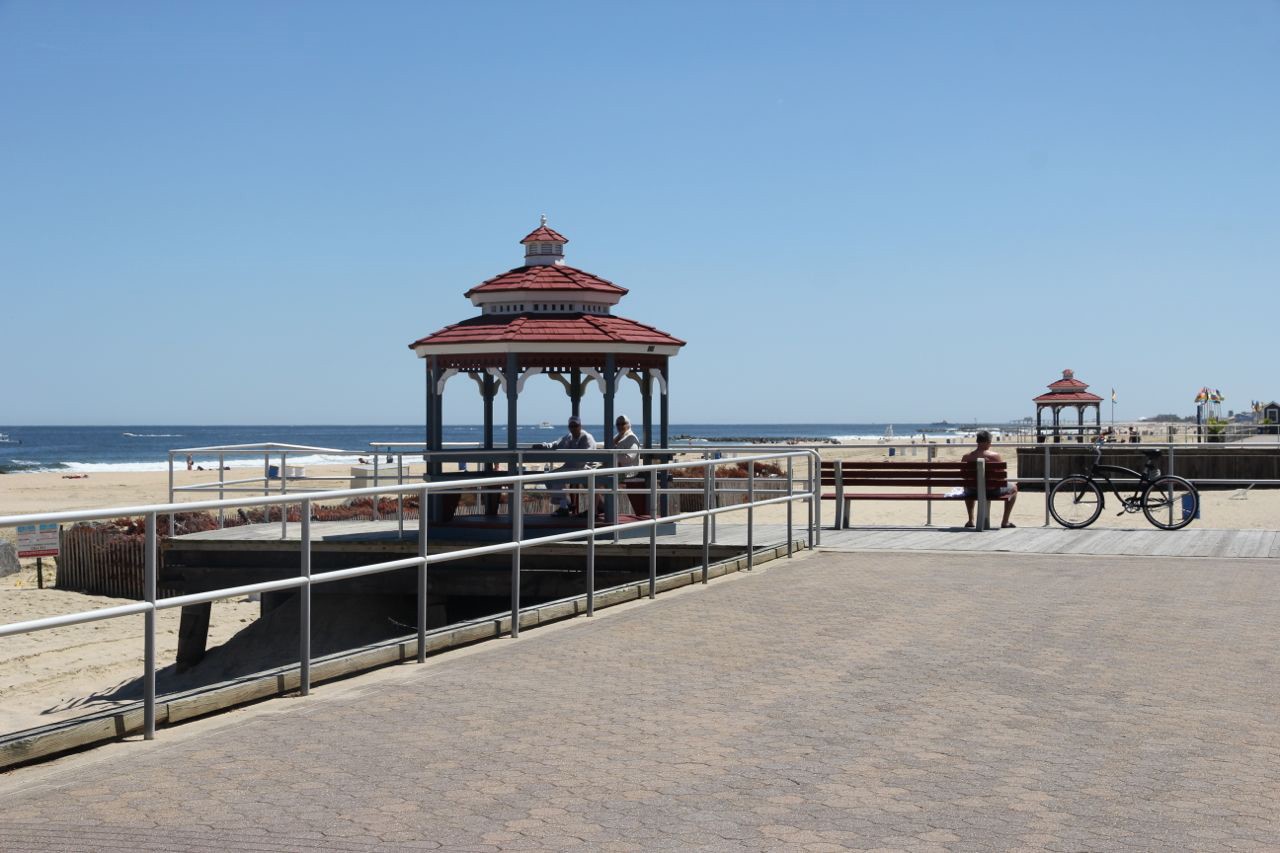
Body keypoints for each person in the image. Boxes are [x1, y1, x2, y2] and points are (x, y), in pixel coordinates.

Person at [538, 415, 597, 516]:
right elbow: (556, 444)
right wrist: (543, 446)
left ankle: (564, 506)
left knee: (557, 477)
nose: (573, 428)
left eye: (575, 425)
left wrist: (569, 456)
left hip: (584, 467)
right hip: (571, 466)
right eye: (571, 426)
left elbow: (587, 457)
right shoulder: (569, 437)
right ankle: (566, 503)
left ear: (580, 425)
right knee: (547, 477)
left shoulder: (587, 437)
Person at [961, 429, 1018, 528]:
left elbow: (963, 476)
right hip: (992, 491)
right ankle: (1005, 521)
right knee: (1014, 488)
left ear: (977, 441)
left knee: (968, 486)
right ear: (988, 442)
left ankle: (971, 520)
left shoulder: (966, 457)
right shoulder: (995, 457)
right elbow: (1001, 479)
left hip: (972, 491)